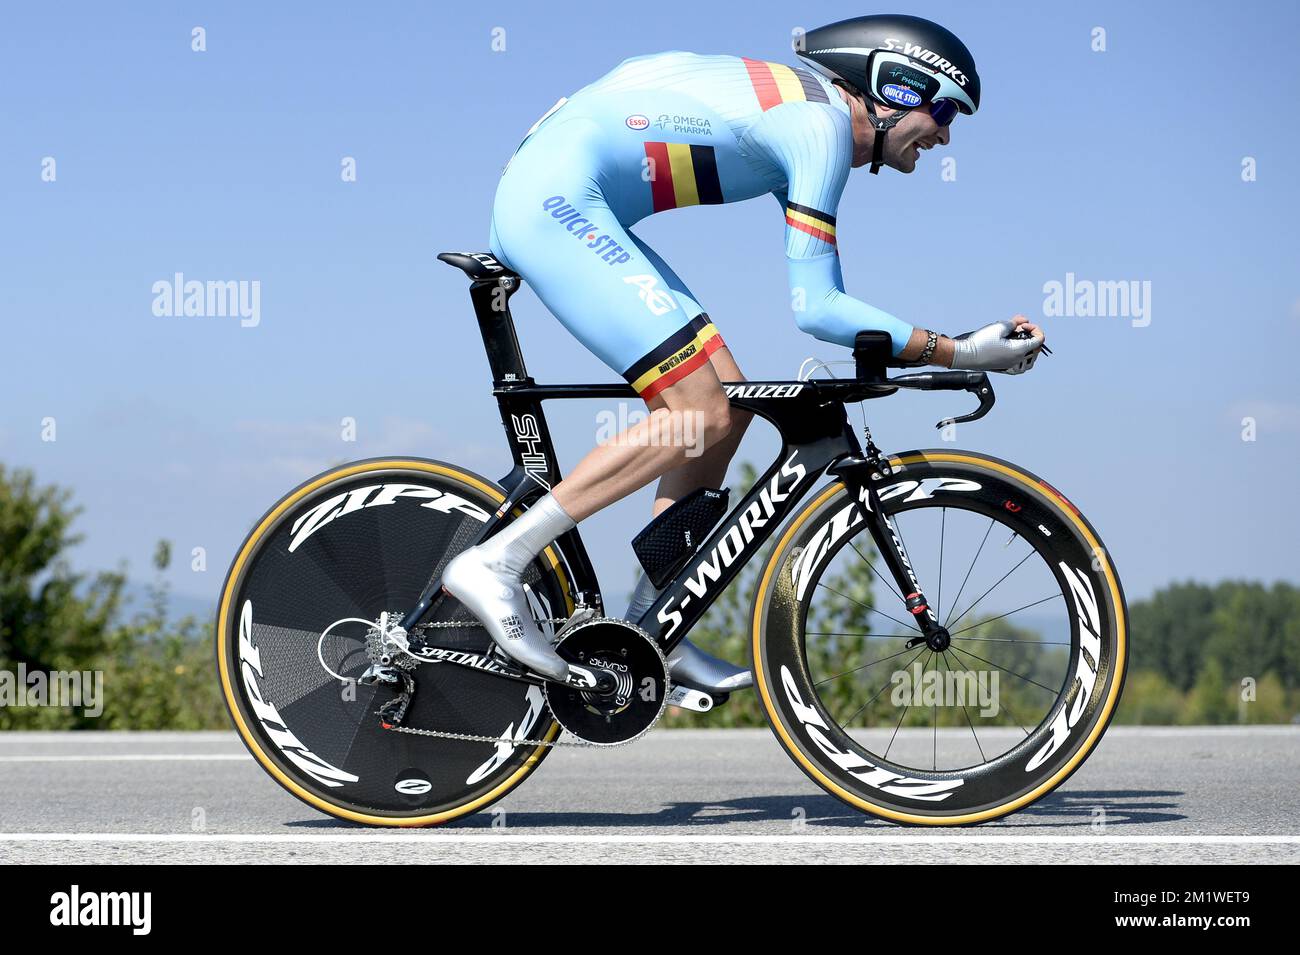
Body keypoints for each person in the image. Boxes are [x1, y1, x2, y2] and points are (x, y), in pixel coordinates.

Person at [443, 14, 1045, 692]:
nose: (945, 133)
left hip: (558, 191)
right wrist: (960, 351)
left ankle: (652, 625)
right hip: (553, 205)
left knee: (724, 414)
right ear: (892, 91)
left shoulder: (796, 110)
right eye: (942, 109)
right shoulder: (817, 128)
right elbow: (817, 309)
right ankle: (498, 561)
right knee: (696, 411)